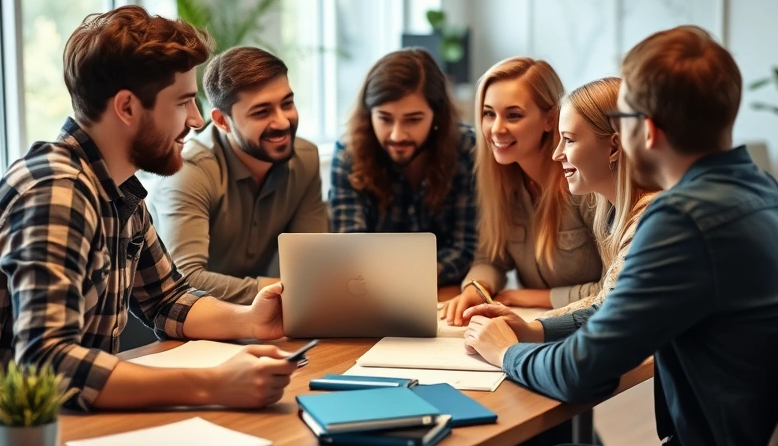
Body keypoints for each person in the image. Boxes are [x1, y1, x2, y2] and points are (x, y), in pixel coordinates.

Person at [464, 26, 778, 446]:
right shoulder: (764, 190)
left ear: (648, 131)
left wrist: (505, 351)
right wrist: (538, 330)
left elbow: (582, 374)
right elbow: (612, 308)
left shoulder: (682, 222)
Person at [0, 6, 298, 411]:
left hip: (67, 421)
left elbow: (167, 299)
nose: (196, 121)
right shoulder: (56, 193)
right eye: (182, 102)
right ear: (126, 108)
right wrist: (212, 385)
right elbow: (48, 362)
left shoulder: (119, 189)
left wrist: (251, 320)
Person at [148, 46, 329, 305]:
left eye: (287, 103)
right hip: (185, 328)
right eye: (261, 112)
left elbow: (313, 264)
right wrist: (279, 289)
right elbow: (185, 279)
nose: (282, 122)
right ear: (222, 121)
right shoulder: (189, 171)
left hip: (260, 323)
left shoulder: (305, 159)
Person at [442, 57, 603, 326]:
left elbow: (616, 288)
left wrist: (540, 297)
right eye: (488, 113)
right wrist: (476, 289)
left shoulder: (585, 185)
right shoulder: (501, 182)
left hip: (590, 330)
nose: (496, 129)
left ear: (551, 119)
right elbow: (491, 259)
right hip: (536, 326)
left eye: (513, 115)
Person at [330, 48, 477, 286]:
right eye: (385, 118)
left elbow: (466, 248)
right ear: (369, 116)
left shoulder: (467, 148)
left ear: (437, 116)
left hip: (446, 292)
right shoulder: (349, 154)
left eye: (413, 119)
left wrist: (408, 278)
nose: (397, 135)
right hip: (373, 293)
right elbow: (350, 245)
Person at [536, 77, 657, 327]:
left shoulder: (649, 221)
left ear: (614, 147)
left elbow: (607, 315)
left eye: (568, 139)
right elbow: (603, 299)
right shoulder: (615, 216)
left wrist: (529, 330)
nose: (556, 154)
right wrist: (535, 321)